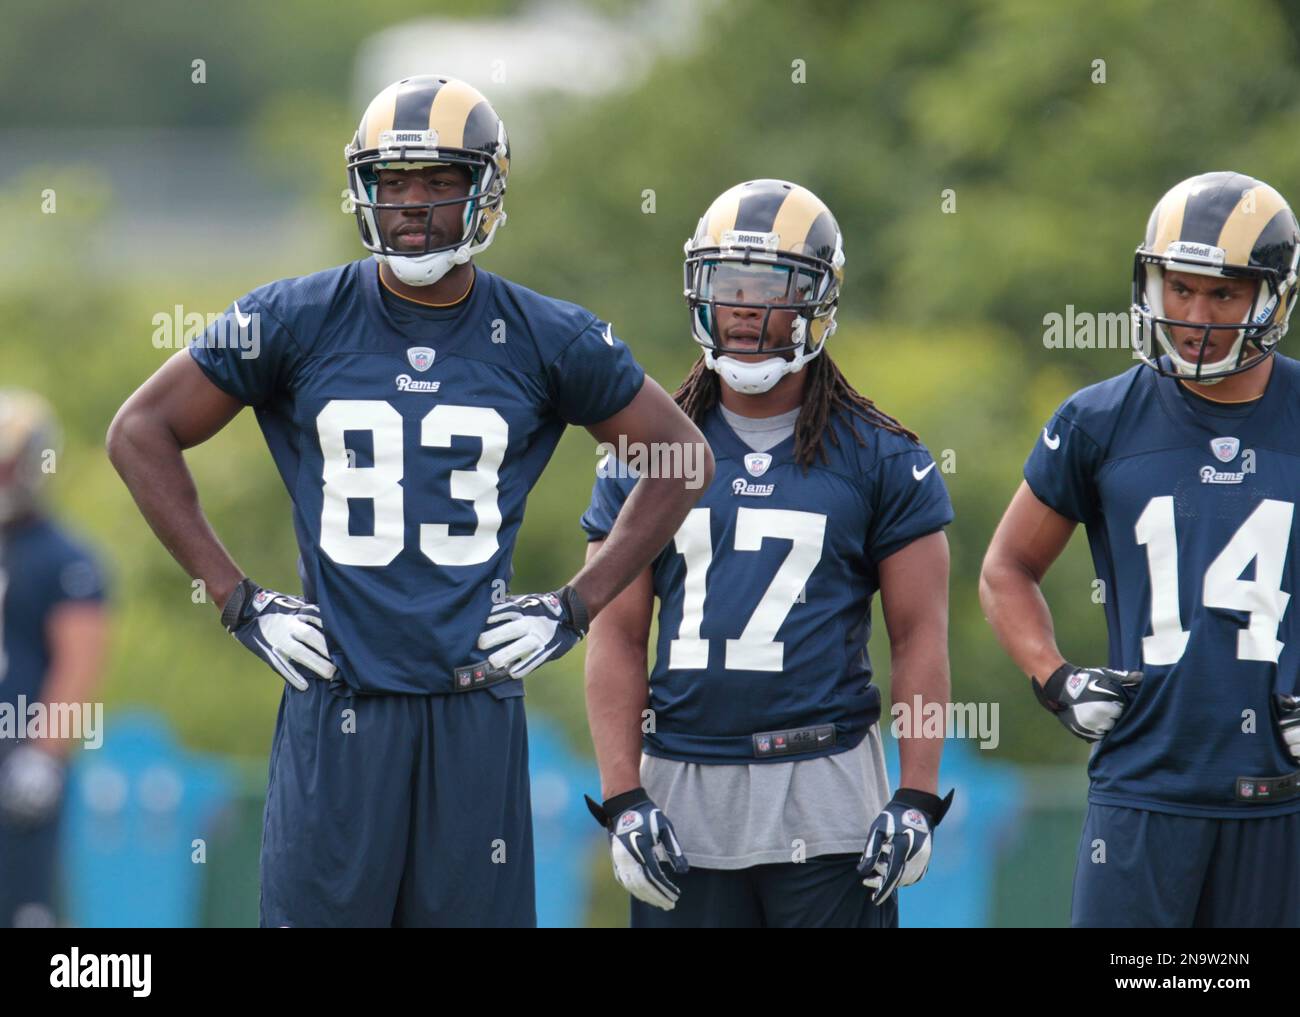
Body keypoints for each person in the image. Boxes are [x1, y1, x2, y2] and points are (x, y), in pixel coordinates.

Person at [107, 75, 711, 927]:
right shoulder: (293, 317)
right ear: (364, 190)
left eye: (438, 181)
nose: (413, 205)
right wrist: (237, 599)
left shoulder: (546, 336)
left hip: (473, 706)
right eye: (393, 182)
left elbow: (682, 456)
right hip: (338, 698)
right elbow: (139, 431)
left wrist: (575, 606)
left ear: (485, 190)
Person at [581, 179, 954, 928]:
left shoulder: (885, 460)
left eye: (774, 285)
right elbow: (616, 632)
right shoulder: (643, 455)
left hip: (827, 792)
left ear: (819, 299)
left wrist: (915, 794)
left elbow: (919, 637)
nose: (747, 306)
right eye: (729, 283)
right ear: (699, 293)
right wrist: (623, 796)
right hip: (682, 794)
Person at [980, 170, 1300, 927]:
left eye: (1224, 294)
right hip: (1142, 791)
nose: (1195, 314)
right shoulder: (1099, 420)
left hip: (1283, 799)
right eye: (1180, 288)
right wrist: (1056, 680)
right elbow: (1006, 569)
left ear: (1273, 297)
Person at [0, 390, 110, 927]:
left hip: (17, 758)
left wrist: (44, 754)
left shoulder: (63, 557)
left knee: (23, 908)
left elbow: (77, 664)